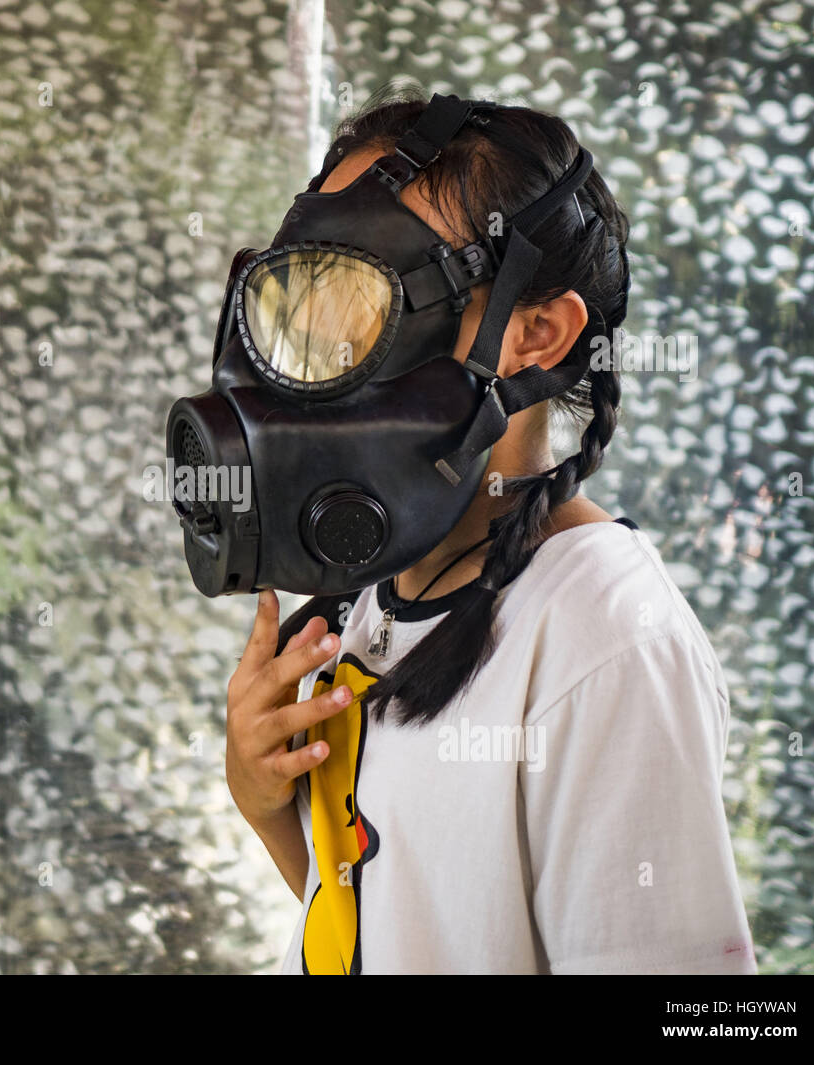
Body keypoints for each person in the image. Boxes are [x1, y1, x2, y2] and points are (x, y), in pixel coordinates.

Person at [222, 86, 757, 975]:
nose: (317, 361)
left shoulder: (608, 646)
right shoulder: (378, 594)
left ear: (536, 333)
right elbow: (403, 926)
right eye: (307, 309)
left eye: (368, 304)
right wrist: (268, 798)